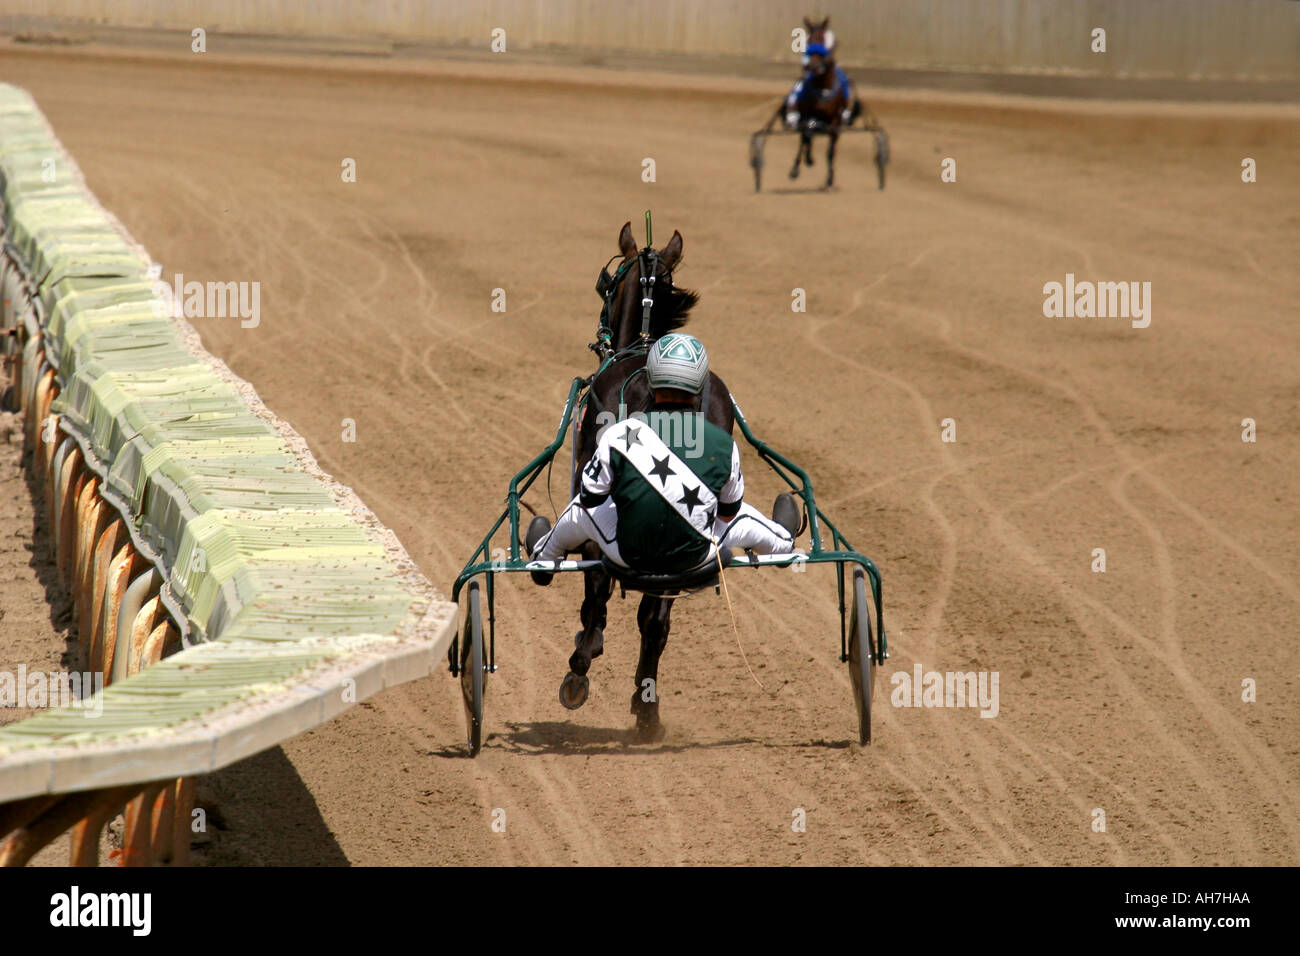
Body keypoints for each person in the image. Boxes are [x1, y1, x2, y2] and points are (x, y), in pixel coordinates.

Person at [527, 333, 800, 583]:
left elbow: (589, 499)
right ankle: (783, 544)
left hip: (628, 554)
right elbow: (728, 514)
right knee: (743, 518)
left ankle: (544, 558)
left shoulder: (618, 434)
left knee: (579, 513)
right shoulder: (724, 445)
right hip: (697, 556)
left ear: (651, 380)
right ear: (699, 386)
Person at [784, 42, 856, 129]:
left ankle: (845, 110)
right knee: (799, 86)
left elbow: (830, 63)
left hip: (830, 74)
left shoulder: (827, 44)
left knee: (845, 81)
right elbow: (806, 65)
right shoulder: (809, 51)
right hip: (812, 75)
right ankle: (793, 113)